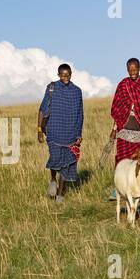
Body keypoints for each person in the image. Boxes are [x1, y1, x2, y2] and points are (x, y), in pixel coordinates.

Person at [38, 63, 83, 202]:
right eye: (63, 75)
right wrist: (39, 130)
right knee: (55, 158)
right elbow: (42, 109)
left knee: (66, 164)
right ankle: (53, 179)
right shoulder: (52, 88)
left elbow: (80, 114)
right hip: (53, 132)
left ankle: (60, 195)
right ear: (58, 75)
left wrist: (78, 134)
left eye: (68, 75)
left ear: (71, 74)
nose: (66, 77)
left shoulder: (76, 91)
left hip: (70, 133)